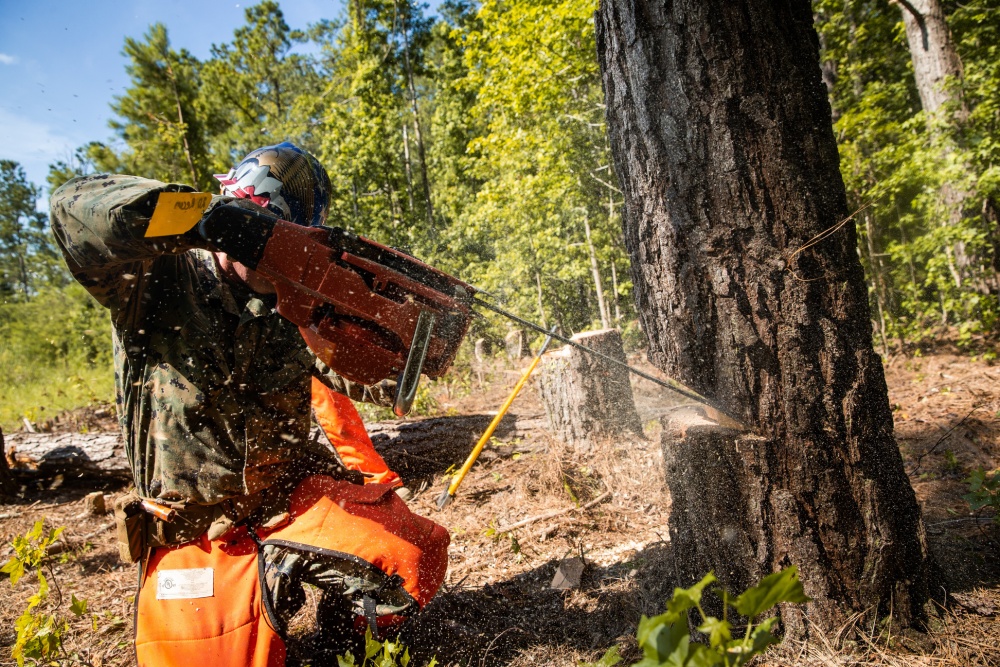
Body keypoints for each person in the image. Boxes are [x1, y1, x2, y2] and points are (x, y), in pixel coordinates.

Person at [50, 142, 448, 667]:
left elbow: (364, 382)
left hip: (286, 498)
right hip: (196, 524)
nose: (278, 264)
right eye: (271, 241)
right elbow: (71, 208)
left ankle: (342, 641)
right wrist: (207, 219)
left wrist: (385, 330)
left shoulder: (292, 300)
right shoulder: (157, 278)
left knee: (411, 556)